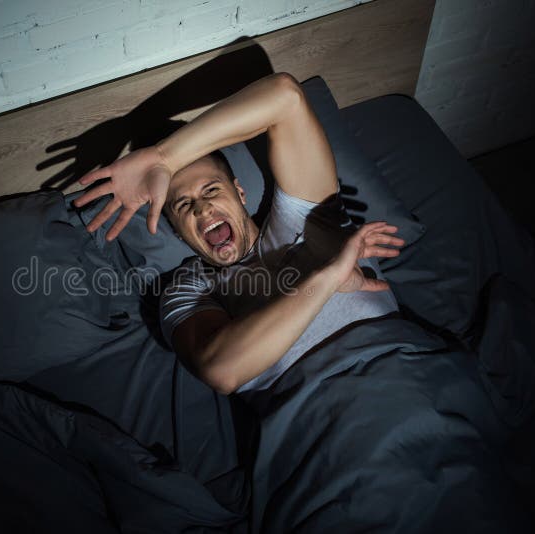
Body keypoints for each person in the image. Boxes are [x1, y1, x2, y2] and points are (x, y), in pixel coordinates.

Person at [72, 72, 405, 395]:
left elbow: (285, 96)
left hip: (405, 365)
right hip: (323, 411)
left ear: (240, 193)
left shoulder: (305, 216)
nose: (202, 209)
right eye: (183, 205)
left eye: (212, 190)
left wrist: (164, 158)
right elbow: (222, 370)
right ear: (176, 230)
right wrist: (328, 279)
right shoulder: (186, 291)